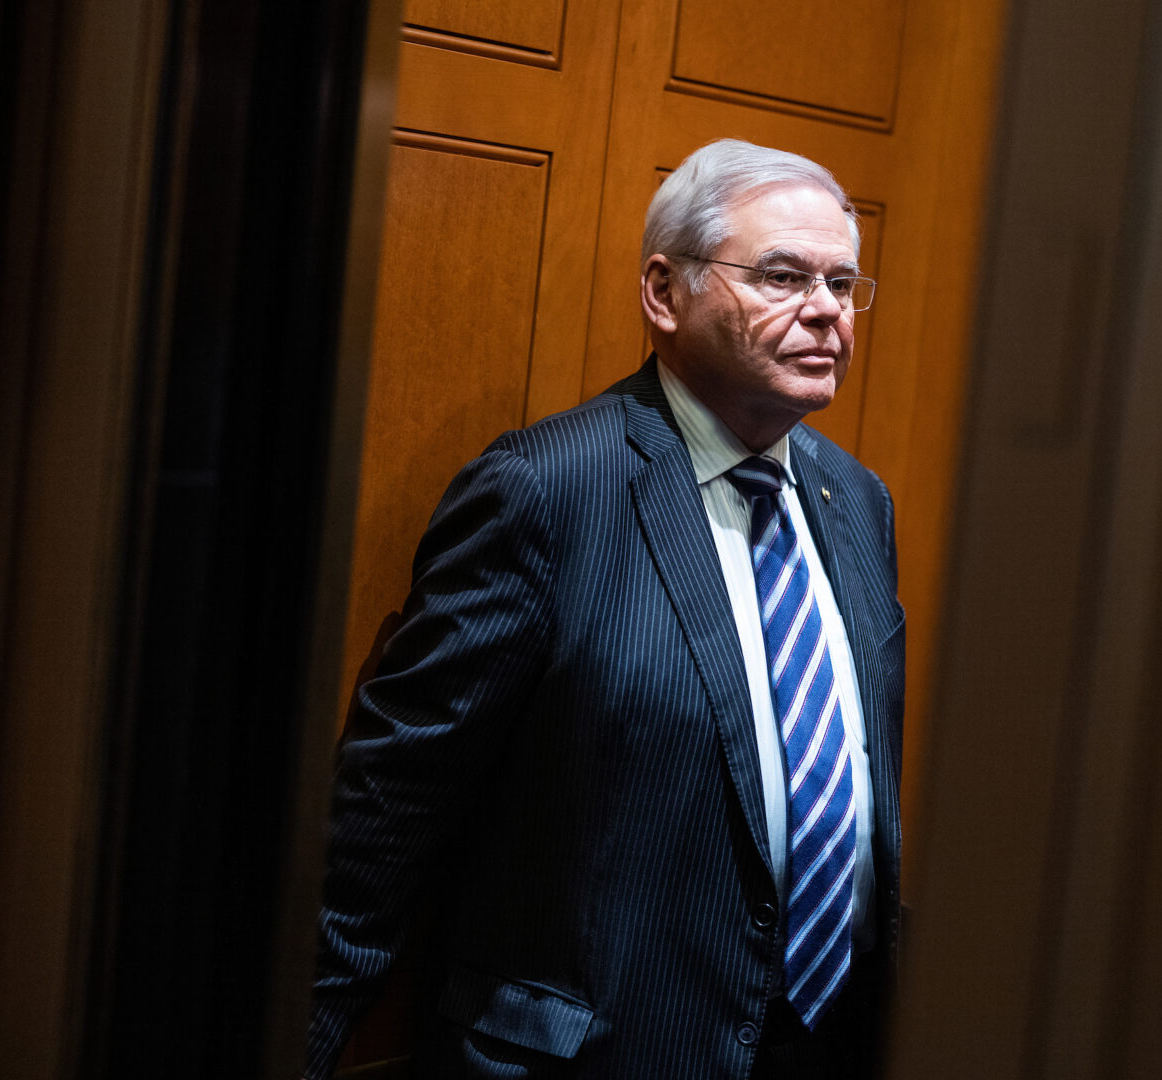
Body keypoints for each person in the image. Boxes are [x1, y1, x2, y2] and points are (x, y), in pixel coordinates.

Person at [306, 138, 905, 1080]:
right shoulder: (544, 492)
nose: (825, 310)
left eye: (843, 282)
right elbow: (387, 808)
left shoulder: (857, 502)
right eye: (783, 276)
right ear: (664, 292)